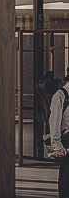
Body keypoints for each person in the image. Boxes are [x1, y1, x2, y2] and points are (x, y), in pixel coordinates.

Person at [50, 68, 69, 198]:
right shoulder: (61, 95)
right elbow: (54, 122)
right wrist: (57, 145)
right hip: (67, 139)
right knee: (66, 177)